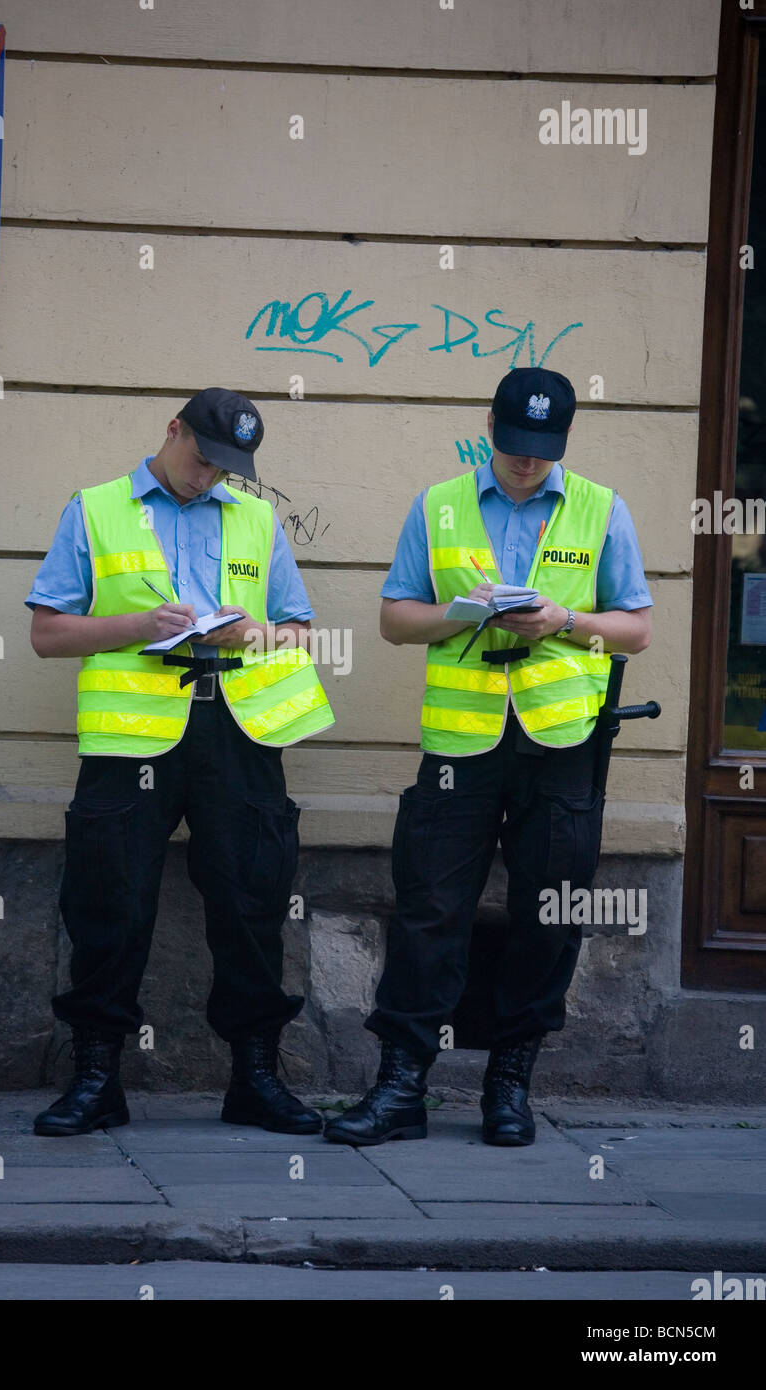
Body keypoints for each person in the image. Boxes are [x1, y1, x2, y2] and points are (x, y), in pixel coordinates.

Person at [324, 366, 652, 1148]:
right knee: (429, 910)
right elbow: (395, 621)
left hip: (561, 744)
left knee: (548, 913)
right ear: (489, 428)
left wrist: (565, 619)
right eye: (512, 447)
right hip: (459, 745)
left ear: (562, 442)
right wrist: (462, 615)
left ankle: (510, 1084)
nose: (524, 462)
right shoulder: (438, 505)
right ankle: (401, 1085)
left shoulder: (601, 509)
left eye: (540, 450)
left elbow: (634, 628)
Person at [26, 388, 334, 1137]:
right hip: (131, 739)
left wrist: (253, 634)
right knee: (109, 904)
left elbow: (296, 633)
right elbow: (46, 634)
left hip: (238, 732)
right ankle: (96, 1078)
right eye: (201, 460)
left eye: (226, 468)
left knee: (252, 902)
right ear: (171, 431)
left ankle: (256, 1078)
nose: (209, 478)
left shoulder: (255, 517)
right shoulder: (95, 509)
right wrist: (136, 625)